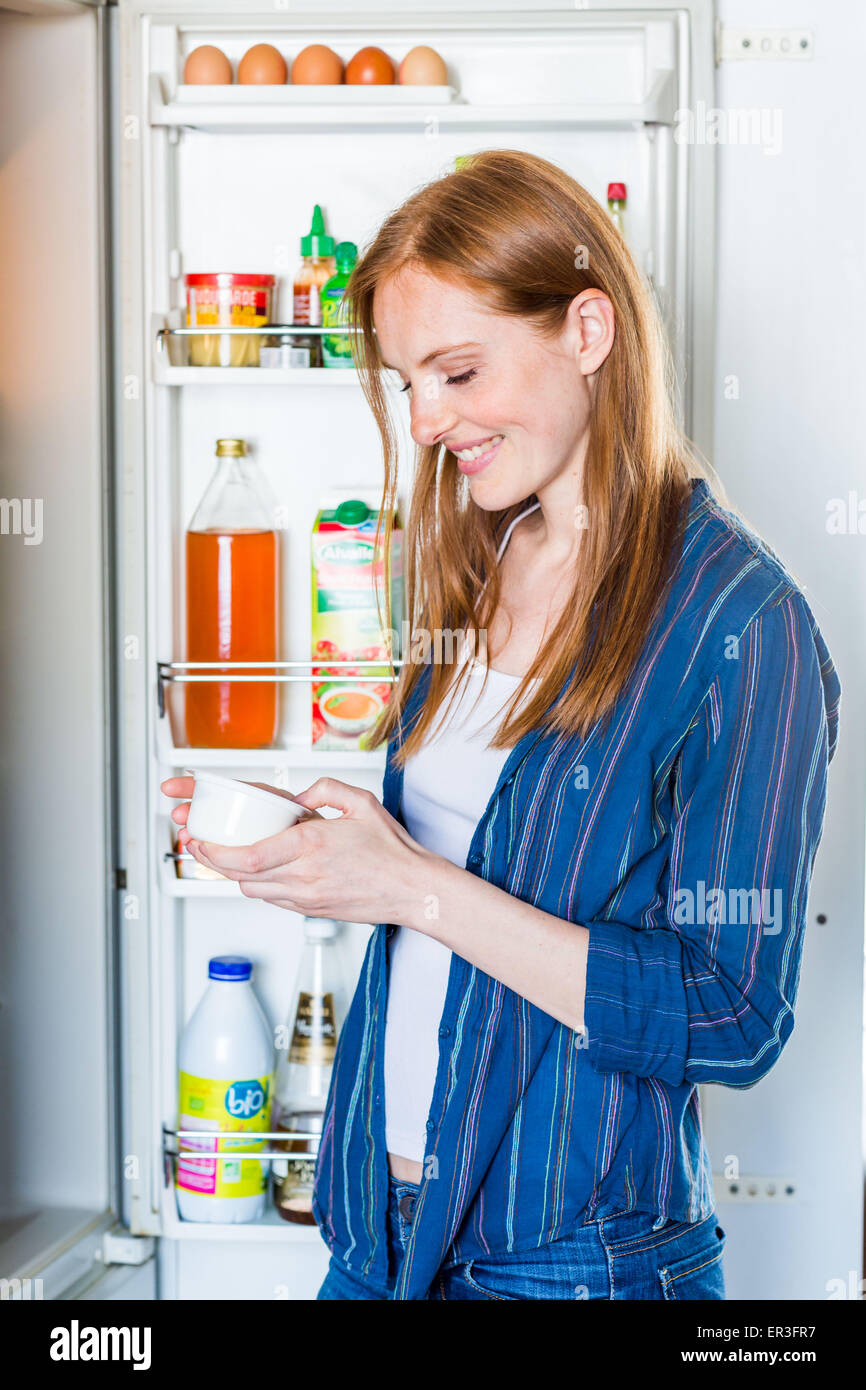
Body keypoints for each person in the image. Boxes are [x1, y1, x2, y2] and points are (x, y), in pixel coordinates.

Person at [162, 150, 841, 1301]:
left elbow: (731, 1014)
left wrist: (409, 887)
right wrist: (327, 844)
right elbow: (466, 851)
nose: (426, 421)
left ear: (587, 329)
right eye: (405, 383)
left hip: (571, 1263)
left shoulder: (739, 624)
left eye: (457, 371)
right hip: (374, 1237)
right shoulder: (480, 551)